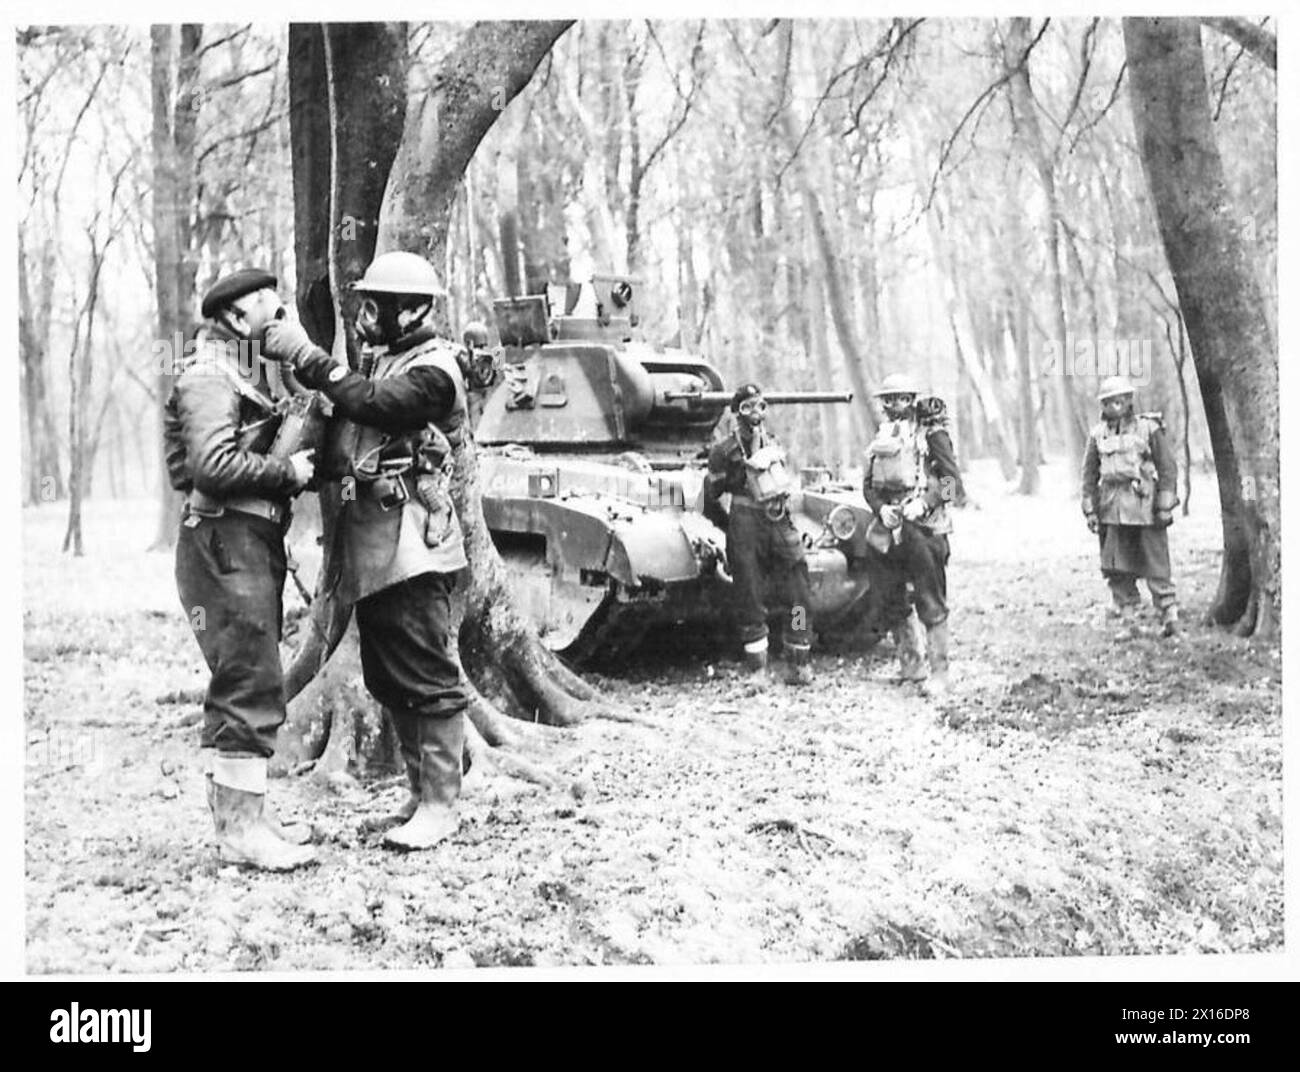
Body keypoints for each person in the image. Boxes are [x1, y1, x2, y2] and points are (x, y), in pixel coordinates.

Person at [263, 251, 471, 851]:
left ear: (410, 310)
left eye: (373, 306)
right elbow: (354, 419)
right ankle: (418, 792)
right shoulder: (392, 360)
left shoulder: (435, 371)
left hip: (414, 543)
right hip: (377, 543)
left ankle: (441, 803)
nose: (362, 317)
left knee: (427, 672)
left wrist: (306, 353)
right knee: (387, 674)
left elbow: (376, 405)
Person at [164, 267, 318, 871]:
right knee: (247, 678)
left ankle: (247, 813)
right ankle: (239, 831)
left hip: (244, 539)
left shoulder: (240, 371)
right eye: (264, 306)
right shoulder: (208, 375)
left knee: (254, 672)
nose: (277, 313)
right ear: (232, 318)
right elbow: (210, 466)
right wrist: (287, 474)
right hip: (224, 541)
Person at [702, 383, 814, 686]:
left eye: (760, 406)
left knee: (799, 588)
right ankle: (757, 669)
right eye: (747, 407)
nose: (755, 413)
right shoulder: (723, 451)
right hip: (746, 521)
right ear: (736, 412)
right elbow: (711, 495)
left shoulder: (773, 444)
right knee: (749, 595)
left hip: (778, 518)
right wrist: (731, 529)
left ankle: (798, 659)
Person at [862, 373, 963, 697]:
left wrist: (926, 501)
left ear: (912, 400)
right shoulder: (881, 437)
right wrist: (880, 508)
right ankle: (911, 664)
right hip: (888, 529)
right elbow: (868, 485)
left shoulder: (932, 434)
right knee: (890, 596)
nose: (895, 405)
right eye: (889, 400)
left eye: (902, 399)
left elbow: (951, 482)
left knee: (929, 598)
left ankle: (940, 672)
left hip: (925, 528)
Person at [1081, 376, 1180, 637]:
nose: (1115, 405)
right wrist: (1090, 511)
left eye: (1120, 399)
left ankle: (1170, 617)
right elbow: (1089, 475)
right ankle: (1129, 620)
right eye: (1109, 401)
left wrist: (1164, 505)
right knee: (1117, 566)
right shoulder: (1097, 435)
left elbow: (1167, 468)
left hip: (1144, 505)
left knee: (1156, 563)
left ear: (1128, 401)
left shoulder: (1149, 429)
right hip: (1112, 509)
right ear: (1102, 404)